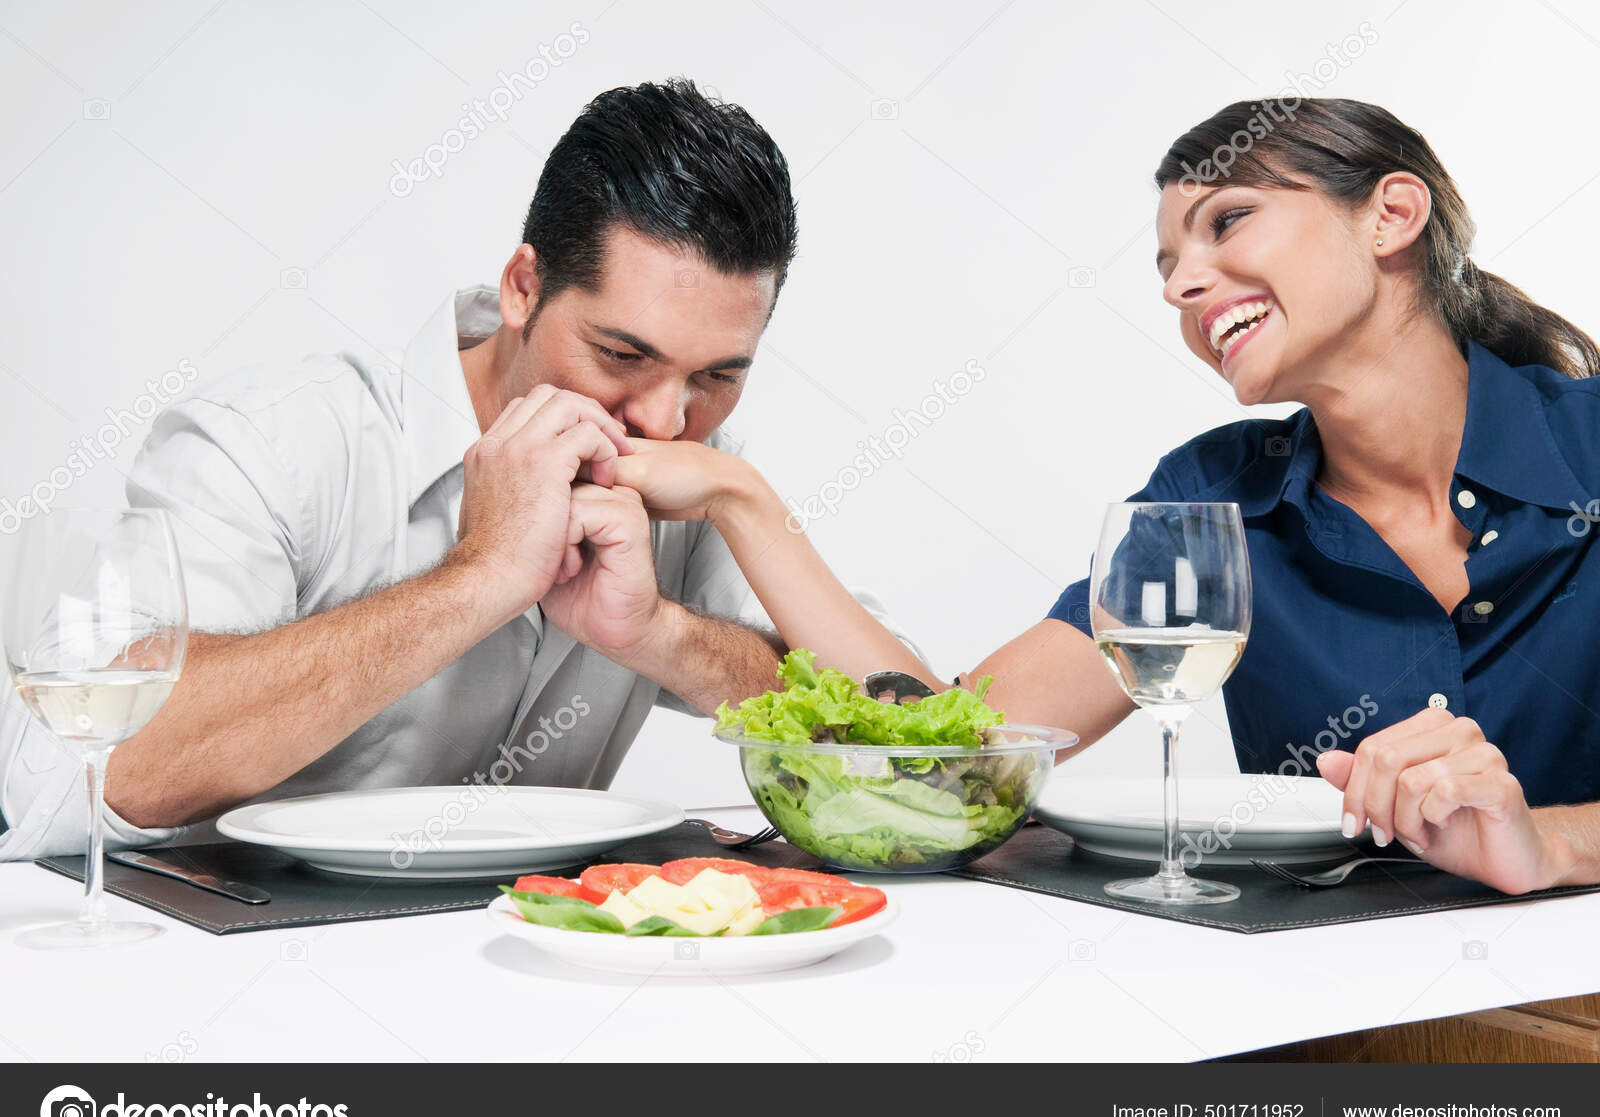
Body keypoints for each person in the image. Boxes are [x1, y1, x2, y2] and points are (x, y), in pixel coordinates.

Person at [613, 97, 1600, 895]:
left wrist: (1547, 843)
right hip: (1320, 1013)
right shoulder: (1211, 503)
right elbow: (955, 754)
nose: (1181, 287)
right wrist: (742, 501)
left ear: (1390, 213)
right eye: (1169, 266)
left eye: (1226, 222)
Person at [0, 79, 917, 860]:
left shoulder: (690, 470)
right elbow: (79, 779)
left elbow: (908, 750)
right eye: (621, 354)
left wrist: (662, 630)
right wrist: (477, 580)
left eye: (718, 376)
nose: (665, 419)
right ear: (523, 286)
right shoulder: (275, 444)